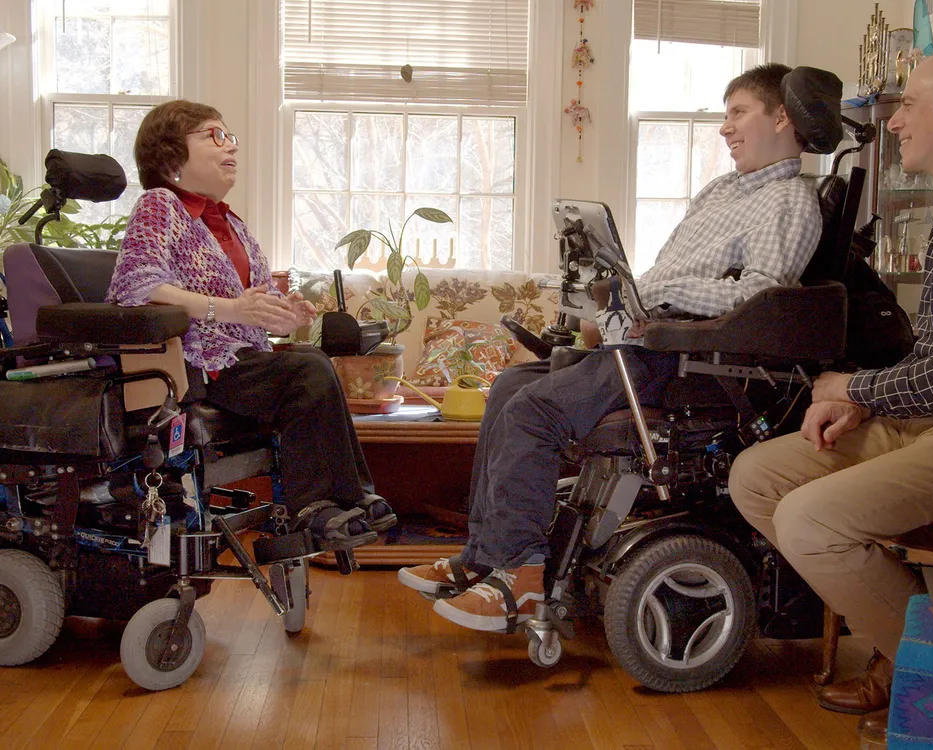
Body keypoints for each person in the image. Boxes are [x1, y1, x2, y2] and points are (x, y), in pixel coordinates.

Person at [398, 63, 826, 632]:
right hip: (651, 337)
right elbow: (667, 272)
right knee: (509, 387)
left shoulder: (789, 200)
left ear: (782, 117)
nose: (725, 128)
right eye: (725, 115)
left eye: (738, 113)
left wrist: (652, 295)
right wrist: (616, 298)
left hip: (696, 359)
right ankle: (484, 556)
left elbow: (761, 292)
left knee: (536, 410)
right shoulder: (720, 191)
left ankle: (522, 580)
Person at [727, 46, 933, 739]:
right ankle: (912, 649)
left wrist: (858, 385)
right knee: (757, 476)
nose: (897, 120)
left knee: (811, 522)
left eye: (909, 103)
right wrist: (867, 399)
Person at [106, 100, 396, 551]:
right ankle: (317, 508)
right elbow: (138, 287)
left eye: (231, 136)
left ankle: (349, 497)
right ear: (169, 156)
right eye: (212, 136)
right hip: (193, 365)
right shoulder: (160, 205)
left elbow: (256, 299)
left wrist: (285, 312)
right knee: (305, 371)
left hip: (241, 359)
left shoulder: (230, 222)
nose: (230, 147)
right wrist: (231, 310)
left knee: (311, 358)